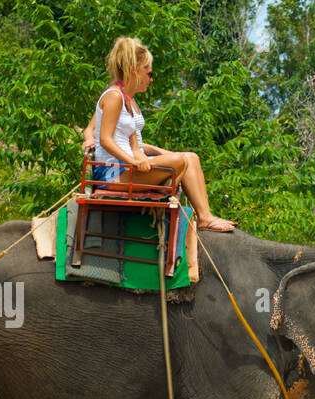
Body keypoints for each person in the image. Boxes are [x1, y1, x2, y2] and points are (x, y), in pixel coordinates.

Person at [80, 36, 233, 282]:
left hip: (125, 166)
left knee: (188, 157)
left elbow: (132, 141)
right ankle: (202, 218)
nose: (151, 79)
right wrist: (133, 160)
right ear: (134, 71)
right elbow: (106, 140)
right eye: (148, 73)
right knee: (181, 161)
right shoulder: (113, 97)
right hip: (112, 173)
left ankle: (205, 216)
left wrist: (151, 153)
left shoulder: (127, 101)